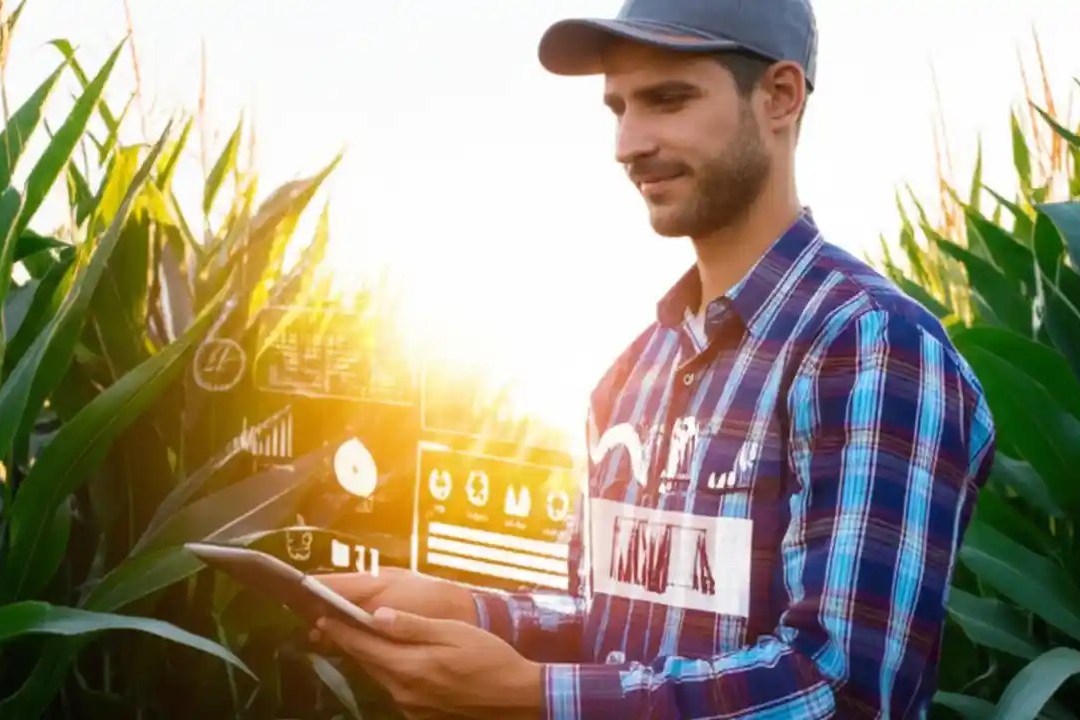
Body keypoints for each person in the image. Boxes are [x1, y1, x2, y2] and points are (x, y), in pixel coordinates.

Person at [313, 0, 997, 717]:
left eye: (667, 100)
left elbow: (840, 690)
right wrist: (471, 612)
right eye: (618, 108)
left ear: (780, 97)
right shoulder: (629, 379)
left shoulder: (870, 347)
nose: (629, 143)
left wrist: (531, 697)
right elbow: (610, 624)